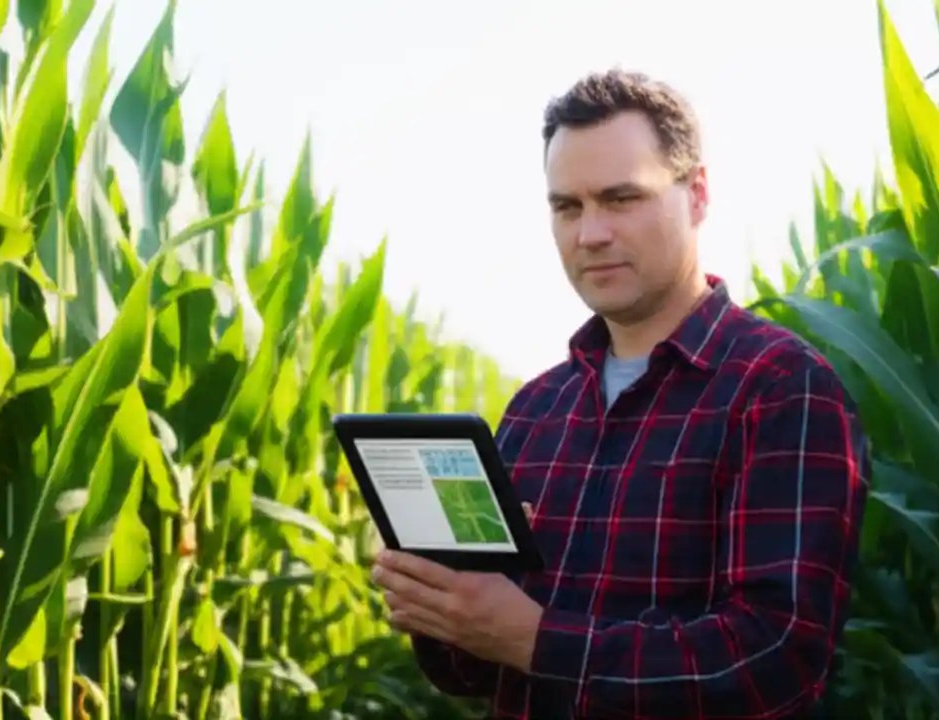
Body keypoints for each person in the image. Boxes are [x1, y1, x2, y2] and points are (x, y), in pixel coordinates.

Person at [369, 68, 871, 719]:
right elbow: (473, 672)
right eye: (567, 207)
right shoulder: (535, 410)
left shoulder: (780, 389)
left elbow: (773, 661)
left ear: (697, 194)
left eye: (621, 198)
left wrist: (534, 639)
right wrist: (440, 605)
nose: (590, 234)